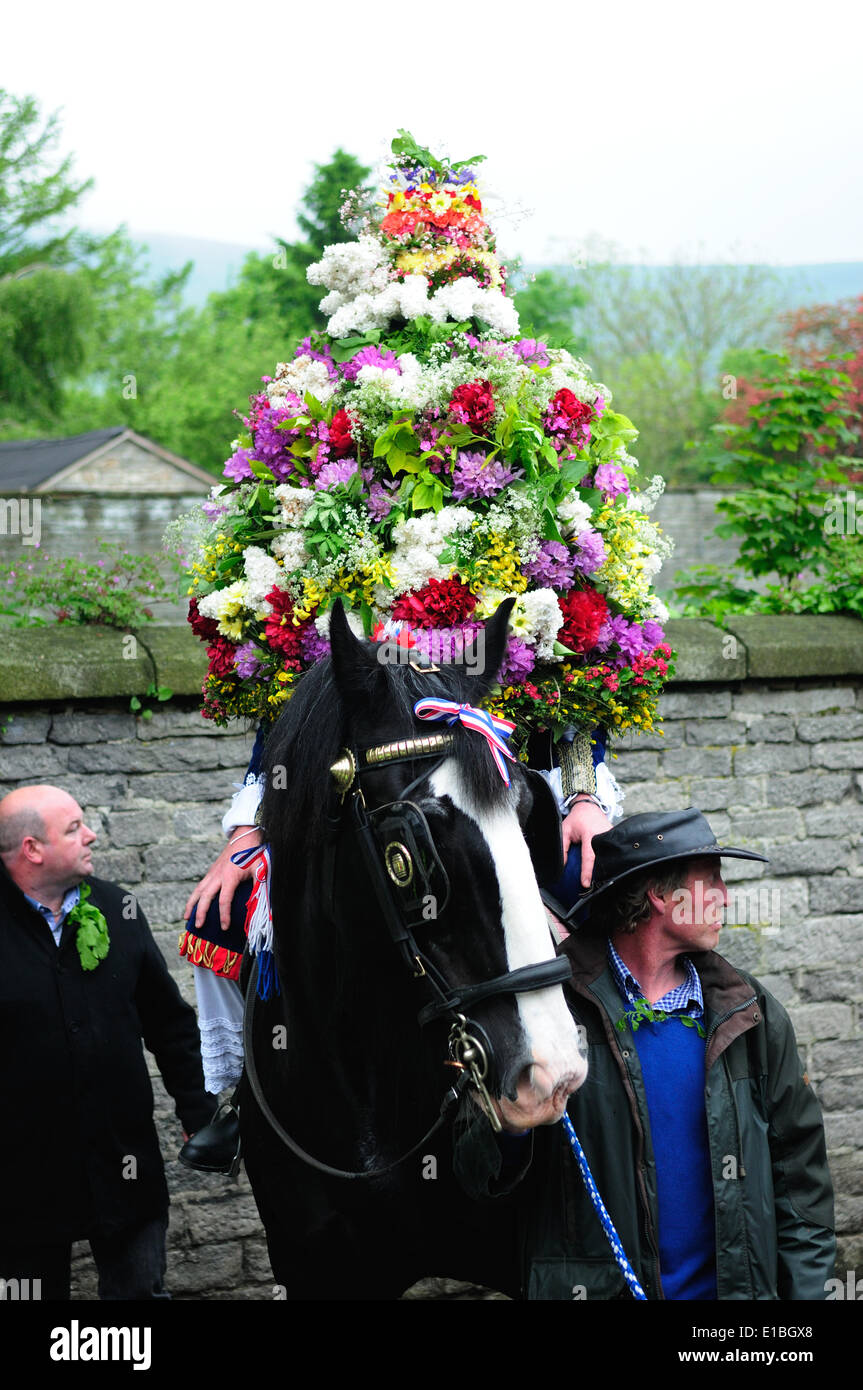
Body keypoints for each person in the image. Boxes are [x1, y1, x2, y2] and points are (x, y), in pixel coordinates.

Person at [454, 807, 836, 1300]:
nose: (726, 897)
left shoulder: (752, 1016)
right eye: (712, 880)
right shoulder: (552, 1017)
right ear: (660, 895)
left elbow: (801, 1189)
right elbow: (477, 1179)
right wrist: (507, 1123)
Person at [0, 785, 213, 1300]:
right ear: (32, 849)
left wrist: (200, 1115)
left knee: (138, 1301)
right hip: (19, 1179)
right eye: (73, 828)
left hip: (124, 1163)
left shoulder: (120, 910)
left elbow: (170, 1024)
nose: (92, 834)